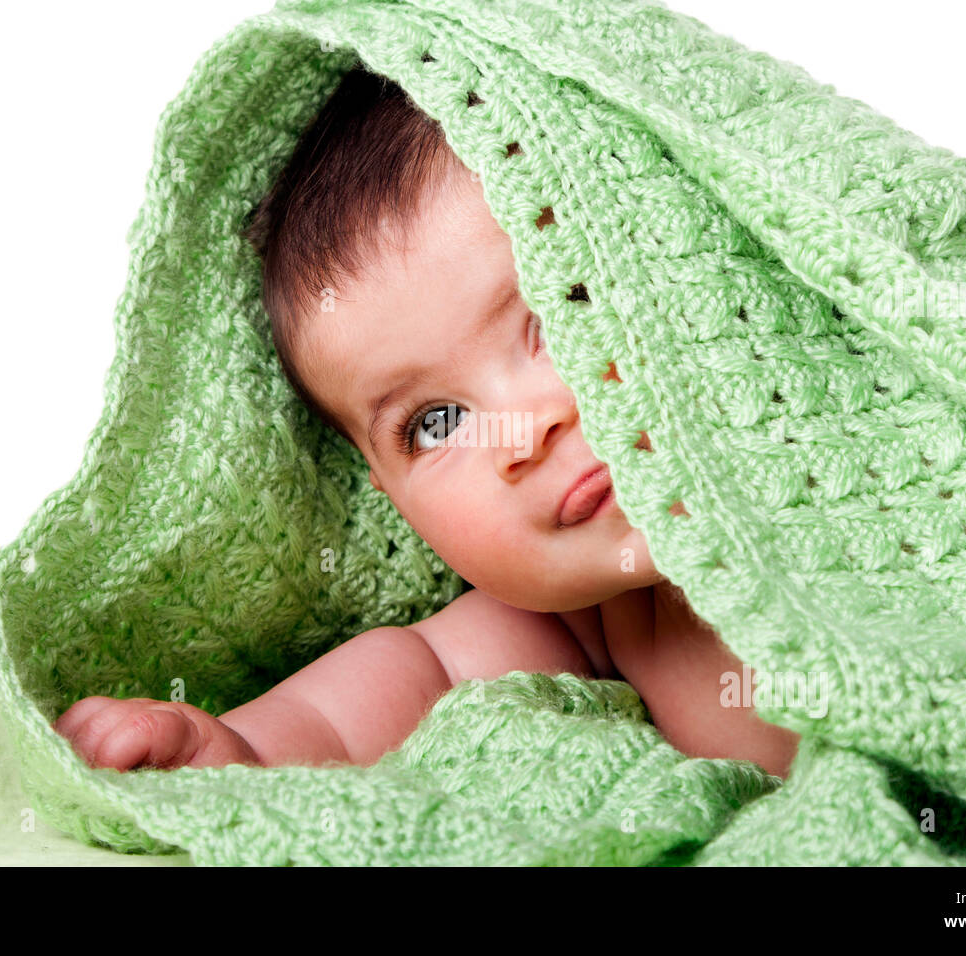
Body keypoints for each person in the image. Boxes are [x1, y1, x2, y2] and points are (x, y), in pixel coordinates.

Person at [52, 65, 802, 780]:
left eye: (557, 312)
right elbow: (394, 690)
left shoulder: (850, 476)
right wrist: (238, 746)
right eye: (438, 423)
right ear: (391, 497)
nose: (522, 433)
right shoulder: (600, 617)